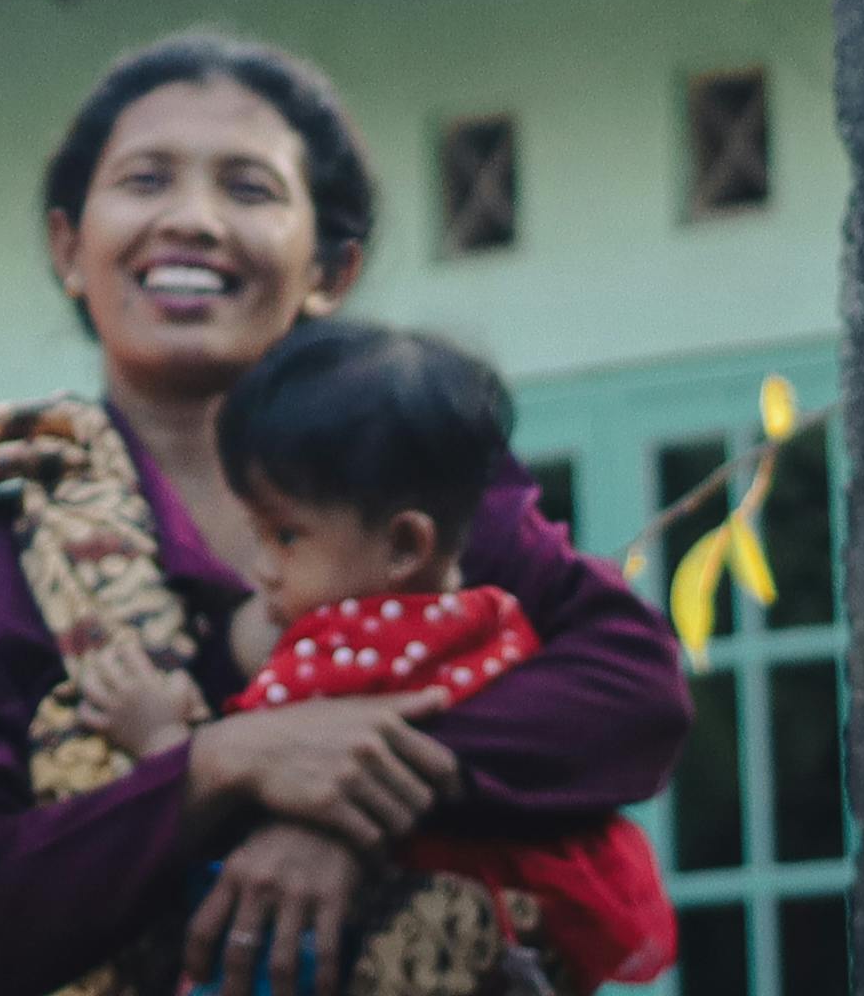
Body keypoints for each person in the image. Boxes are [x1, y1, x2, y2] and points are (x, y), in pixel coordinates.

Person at [0, 33, 688, 996]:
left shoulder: (424, 497)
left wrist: (334, 808)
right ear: (68, 248)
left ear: (331, 271)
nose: (192, 220)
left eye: (248, 189)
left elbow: (631, 692)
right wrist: (223, 763)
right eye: (147, 179)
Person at [67, 322, 676, 991]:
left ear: (405, 545)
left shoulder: (342, 655)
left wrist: (162, 738)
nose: (263, 569)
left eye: (286, 536)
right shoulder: (494, 621)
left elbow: (238, 805)